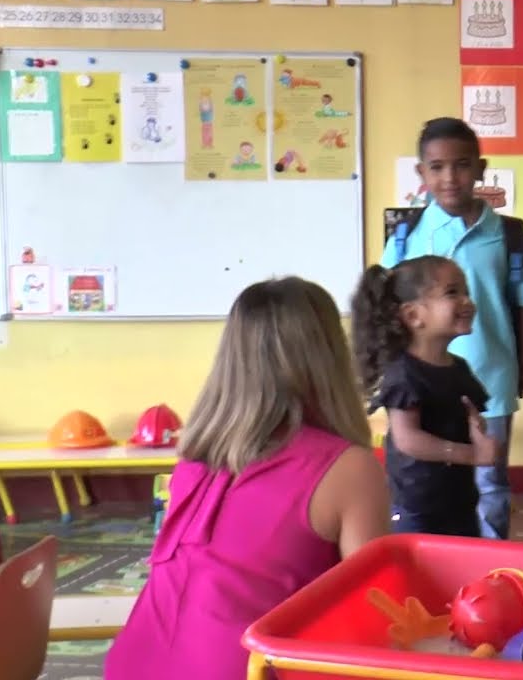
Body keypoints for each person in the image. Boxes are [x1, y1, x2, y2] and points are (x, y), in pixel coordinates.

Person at [105, 277, 390, 680]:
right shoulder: (349, 468)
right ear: (330, 355)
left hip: (134, 663)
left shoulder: (195, 455)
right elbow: (373, 614)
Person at [381, 117, 523, 540]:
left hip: (490, 375)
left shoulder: (508, 234)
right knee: (424, 482)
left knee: (490, 483)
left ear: (481, 167)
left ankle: (489, 572)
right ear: (421, 174)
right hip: (424, 382)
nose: (450, 177)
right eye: (436, 167)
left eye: (462, 165)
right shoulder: (406, 236)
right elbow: (387, 305)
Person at [352, 257, 503, 536]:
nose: (467, 301)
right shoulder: (404, 373)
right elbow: (407, 439)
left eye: (466, 291)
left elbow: (465, 416)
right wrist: (471, 454)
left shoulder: (457, 368)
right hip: (418, 509)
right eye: (452, 292)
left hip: (457, 501)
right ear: (413, 316)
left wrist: (476, 429)